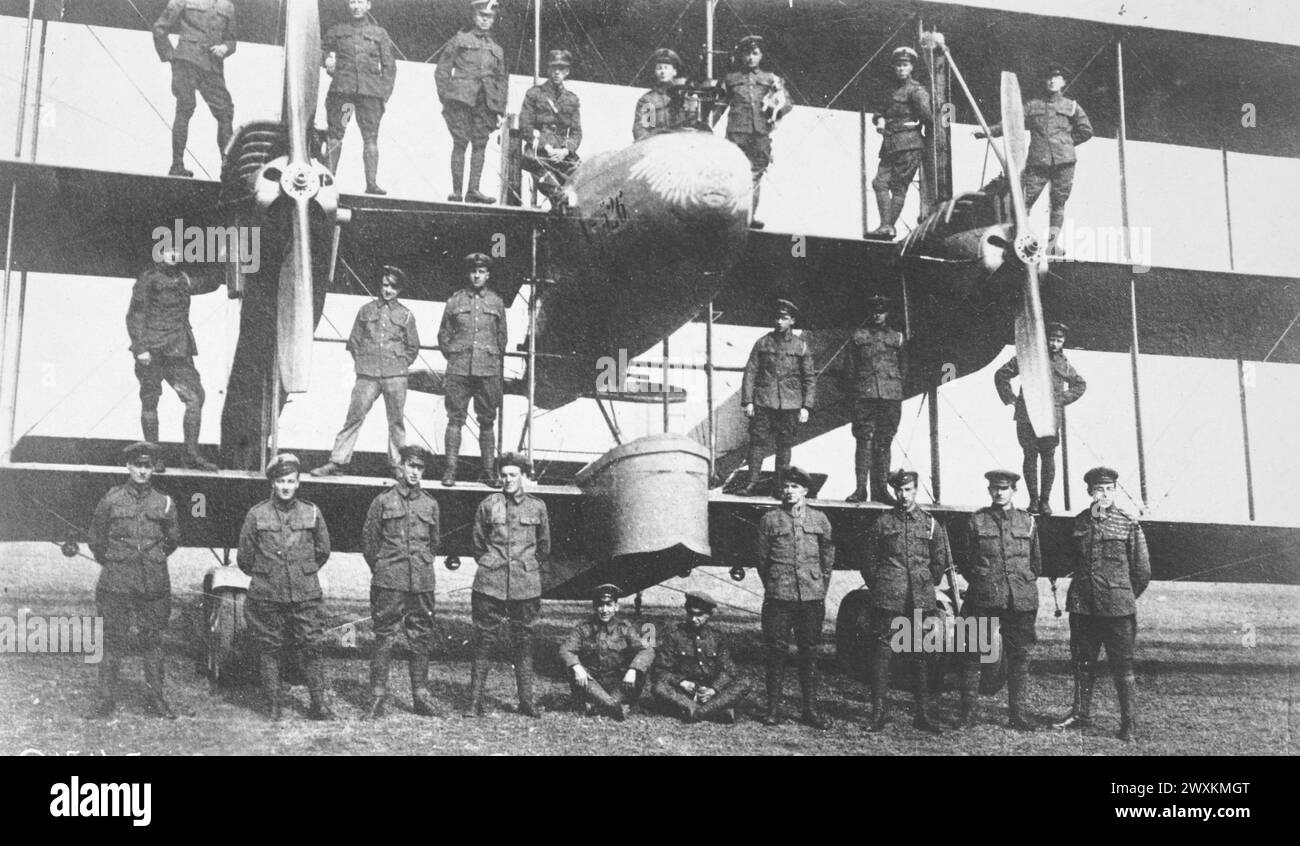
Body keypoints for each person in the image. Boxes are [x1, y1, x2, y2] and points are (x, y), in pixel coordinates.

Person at [1052, 467, 1150, 741]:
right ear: (1089, 492)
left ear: (1115, 490)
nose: (1104, 495)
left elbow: (1142, 572)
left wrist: (1122, 595)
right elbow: (1072, 560)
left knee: (1123, 666)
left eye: (1109, 489)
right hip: (1083, 607)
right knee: (1082, 663)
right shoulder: (1080, 522)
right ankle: (1080, 714)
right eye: (1098, 489)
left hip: (1117, 610)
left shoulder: (1128, 523)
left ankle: (1128, 723)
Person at [86, 442, 182, 719]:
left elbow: (172, 540)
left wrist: (150, 560)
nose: (142, 471)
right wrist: (117, 560)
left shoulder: (164, 502)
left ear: (154, 468)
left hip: (152, 584)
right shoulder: (112, 499)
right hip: (116, 583)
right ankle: (105, 701)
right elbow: (96, 539)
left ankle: (156, 699)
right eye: (138, 465)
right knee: (112, 641)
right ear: (128, 467)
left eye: (147, 466)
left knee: (152, 642)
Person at [237, 453, 334, 721]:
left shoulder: (311, 512)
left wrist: (301, 571)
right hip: (268, 593)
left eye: (291, 481)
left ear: (298, 482)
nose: (286, 486)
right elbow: (245, 558)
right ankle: (273, 705)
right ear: (273, 483)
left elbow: (323, 550)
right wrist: (269, 574)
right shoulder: (257, 514)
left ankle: (318, 704)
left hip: (304, 594)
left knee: (312, 645)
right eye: (281, 481)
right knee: (270, 648)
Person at [862, 470, 952, 734]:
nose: (904, 495)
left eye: (909, 490)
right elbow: (869, 559)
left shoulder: (930, 523)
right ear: (894, 491)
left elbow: (940, 561)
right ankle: (878, 714)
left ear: (916, 490)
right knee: (883, 654)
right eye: (900, 490)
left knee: (921, 655)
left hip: (920, 598)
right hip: (889, 598)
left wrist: (926, 583)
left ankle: (922, 714)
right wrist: (882, 584)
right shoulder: (883, 522)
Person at [311, 266, 420, 477]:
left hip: (395, 375)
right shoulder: (366, 311)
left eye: (393, 287)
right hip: (367, 374)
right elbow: (354, 341)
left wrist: (399, 364)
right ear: (380, 285)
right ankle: (337, 462)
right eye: (385, 285)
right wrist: (364, 363)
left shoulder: (406, 315)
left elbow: (413, 347)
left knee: (396, 421)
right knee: (354, 416)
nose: (388, 290)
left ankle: (397, 465)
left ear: (399, 290)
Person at [956, 469, 1042, 731]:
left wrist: (1016, 583)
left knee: (1019, 657)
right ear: (989, 490)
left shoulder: (1027, 522)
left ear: (1014, 490)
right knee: (971, 654)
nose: (999, 492)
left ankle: (1018, 715)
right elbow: (966, 560)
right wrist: (986, 581)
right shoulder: (977, 521)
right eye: (995, 488)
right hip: (983, 598)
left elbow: (1036, 563)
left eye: (1004, 488)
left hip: (1019, 600)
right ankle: (967, 715)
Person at [976, 63, 1093, 256]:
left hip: (1065, 163)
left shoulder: (1071, 106)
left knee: (1058, 203)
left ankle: (1053, 245)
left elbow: (1087, 131)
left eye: (1056, 78)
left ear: (1063, 82)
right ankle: (1019, 238)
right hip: (1039, 162)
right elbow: (1010, 122)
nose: (1052, 81)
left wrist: (1067, 144)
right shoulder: (1032, 106)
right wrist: (988, 132)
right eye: (1049, 78)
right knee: (1023, 201)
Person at [465, 453, 550, 717]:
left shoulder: (537, 507)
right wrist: (494, 564)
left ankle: (526, 701)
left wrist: (523, 566)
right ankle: (474, 702)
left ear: (524, 476)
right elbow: (478, 544)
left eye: (513, 474)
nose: (508, 479)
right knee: (483, 641)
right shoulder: (489, 504)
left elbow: (544, 547)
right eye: (504, 475)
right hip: (490, 584)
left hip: (525, 586)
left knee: (524, 642)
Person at [360, 445, 441, 719]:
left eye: (419, 467)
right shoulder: (382, 501)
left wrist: (418, 567)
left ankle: (420, 696)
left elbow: (434, 543)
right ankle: (377, 696)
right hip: (389, 580)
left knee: (420, 637)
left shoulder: (430, 504)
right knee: (384, 636)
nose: (414, 472)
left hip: (421, 582)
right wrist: (385, 568)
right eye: (410, 465)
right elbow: (370, 543)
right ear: (401, 467)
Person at [126, 247, 222, 472]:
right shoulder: (147, 280)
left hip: (178, 351)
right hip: (152, 350)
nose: (173, 255)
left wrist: (222, 259)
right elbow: (135, 314)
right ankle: (152, 456)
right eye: (168, 251)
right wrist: (140, 348)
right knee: (150, 399)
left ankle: (190, 455)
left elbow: (211, 283)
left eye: (177, 251)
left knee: (195, 397)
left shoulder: (184, 280)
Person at [756, 466, 834, 729]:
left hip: (811, 598)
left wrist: (819, 587)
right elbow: (762, 560)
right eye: (786, 486)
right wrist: (776, 583)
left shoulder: (820, 519)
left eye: (794, 487)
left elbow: (827, 559)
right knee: (776, 652)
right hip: (779, 596)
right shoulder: (770, 519)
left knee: (809, 653)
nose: (788, 491)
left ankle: (810, 710)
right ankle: (773, 710)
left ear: (805, 491)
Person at [993, 321, 1087, 515]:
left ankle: (1045, 501)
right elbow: (1001, 374)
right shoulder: (1028, 357)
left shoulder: (1064, 363)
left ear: (1063, 342)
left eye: (1058, 340)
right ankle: (1033, 501)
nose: (1054, 344)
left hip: (1050, 417)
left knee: (1048, 458)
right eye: (1051, 339)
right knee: (1029, 456)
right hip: (1027, 416)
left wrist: (1061, 399)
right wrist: (1010, 399)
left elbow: (1080, 384)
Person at [437, 252, 506, 487]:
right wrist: (455, 353)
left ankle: (489, 472)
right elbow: (443, 334)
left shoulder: (496, 302)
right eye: (473, 271)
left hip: (487, 369)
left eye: (481, 272)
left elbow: (501, 337)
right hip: (459, 369)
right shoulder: (454, 301)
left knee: (487, 420)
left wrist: (492, 359)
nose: (477, 276)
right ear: (469, 274)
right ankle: (450, 471)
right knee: (455, 419)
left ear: (488, 274)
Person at [739, 299, 815, 497]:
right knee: (757, 442)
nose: (779, 322)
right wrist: (748, 401)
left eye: (784, 318)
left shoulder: (801, 346)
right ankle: (751, 484)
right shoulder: (762, 343)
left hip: (790, 404)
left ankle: (780, 487)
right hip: (764, 402)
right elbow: (751, 372)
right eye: (777, 318)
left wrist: (806, 406)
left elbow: (809, 378)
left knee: (784, 446)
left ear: (792, 321)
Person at [151, 0, 236, 177]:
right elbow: (159, 28)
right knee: (185, 108)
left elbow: (231, 40)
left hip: (212, 66)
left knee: (225, 112)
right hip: (186, 63)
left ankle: (228, 171)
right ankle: (177, 165)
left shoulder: (227, 6)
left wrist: (225, 48)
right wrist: (170, 56)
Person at [322, 0, 398, 195]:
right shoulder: (337, 30)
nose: (356, 6)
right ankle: (327, 181)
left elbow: (390, 66)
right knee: (336, 135)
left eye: (361, 2)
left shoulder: (380, 34)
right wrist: (326, 59)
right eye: (352, 1)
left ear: (369, 5)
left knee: (370, 138)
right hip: (344, 95)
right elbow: (320, 49)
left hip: (369, 96)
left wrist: (383, 94)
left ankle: (371, 185)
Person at [715, 35, 791, 227]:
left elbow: (787, 103)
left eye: (755, 53)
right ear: (740, 55)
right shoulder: (730, 79)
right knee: (733, 174)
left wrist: (775, 112)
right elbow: (719, 106)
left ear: (762, 55)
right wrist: (707, 125)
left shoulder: (771, 79)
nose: (750, 58)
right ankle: (731, 215)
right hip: (737, 134)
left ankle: (749, 217)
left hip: (760, 134)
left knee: (755, 175)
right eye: (746, 53)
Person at [435, 0, 507, 203]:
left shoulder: (497, 49)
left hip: (485, 104)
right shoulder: (460, 40)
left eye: (489, 16)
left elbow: (501, 80)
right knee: (460, 143)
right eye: (481, 15)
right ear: (474, 16)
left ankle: (473, 190)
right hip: (460, 101)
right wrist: (447, 97)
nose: (485, 19)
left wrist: (499, 108)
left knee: (480, 145)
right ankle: (457, 192)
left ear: (493, 20)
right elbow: (442, 69)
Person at [651, 591, 752, 723]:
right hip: (685, 692)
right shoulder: (674, 637)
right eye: (691, 614)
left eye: (699, 615)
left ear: (709, 614)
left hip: (711, 692)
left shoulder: (717, 638)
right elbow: (660, 670)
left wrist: (714, 689)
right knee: (658, 688)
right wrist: (681, 682)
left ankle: (696, 712)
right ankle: (716, 711)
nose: (693, 619)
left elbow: (729, 670)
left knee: (744, 683)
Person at [558, 583, 654, 721]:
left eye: (609, 605)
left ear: (616, 607)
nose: (604, 610)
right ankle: (614, 707)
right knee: (573, 669)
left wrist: (633, 669)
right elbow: (565, 649)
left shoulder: (624, 628)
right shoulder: (584, 628)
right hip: (592, 685)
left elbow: (647, 649)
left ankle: (600, 706)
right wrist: (577, 667)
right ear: (594, 607)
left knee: (640, 669)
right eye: (600, 605)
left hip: (618, 685)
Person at [844, 293, 906, 503]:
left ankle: (881, 490)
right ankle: (861, 489)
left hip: (890, 395)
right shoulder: (858, 337)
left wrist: (895, 387)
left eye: (881, 312)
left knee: (884, 441)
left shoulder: (897, 337)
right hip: (865, 394)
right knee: (864, 440)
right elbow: (849, 368)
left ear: (887, 314)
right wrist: (856, 391)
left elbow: (904, 367)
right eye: (874, 312)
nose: (877, 315)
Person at [867, 46, 931, 239]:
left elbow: (929, 115)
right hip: (890, 144)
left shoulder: (917, 90)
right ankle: (886, 225)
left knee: (898, 187)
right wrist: (879, 120)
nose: (901, 69)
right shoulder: (891, 90)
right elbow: (880, 110)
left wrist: (916, 124)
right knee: (879, 183)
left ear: (911, 67)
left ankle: (887, 226)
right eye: (898, 65)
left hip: (909, 145)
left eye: (905, 65)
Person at [519, 50, 582, 206]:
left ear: (567, 72)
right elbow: (525, 126)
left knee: (584, 182)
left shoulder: (571, 99)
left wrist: (565, 150)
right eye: (554, 68)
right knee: (559, 196)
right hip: (539, 155)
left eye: (561, 69)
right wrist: (545, 146)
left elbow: (576, 132)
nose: (557, 72)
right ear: (548, 70)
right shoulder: (534, 94)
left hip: (563, 156)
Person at [633, 48, 685, 141]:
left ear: (674, 72)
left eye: (666, 68)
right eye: (659, 68)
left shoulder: (683, 97)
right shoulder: (649, 100)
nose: (662, 72)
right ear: (655, 72)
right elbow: (642, 129)